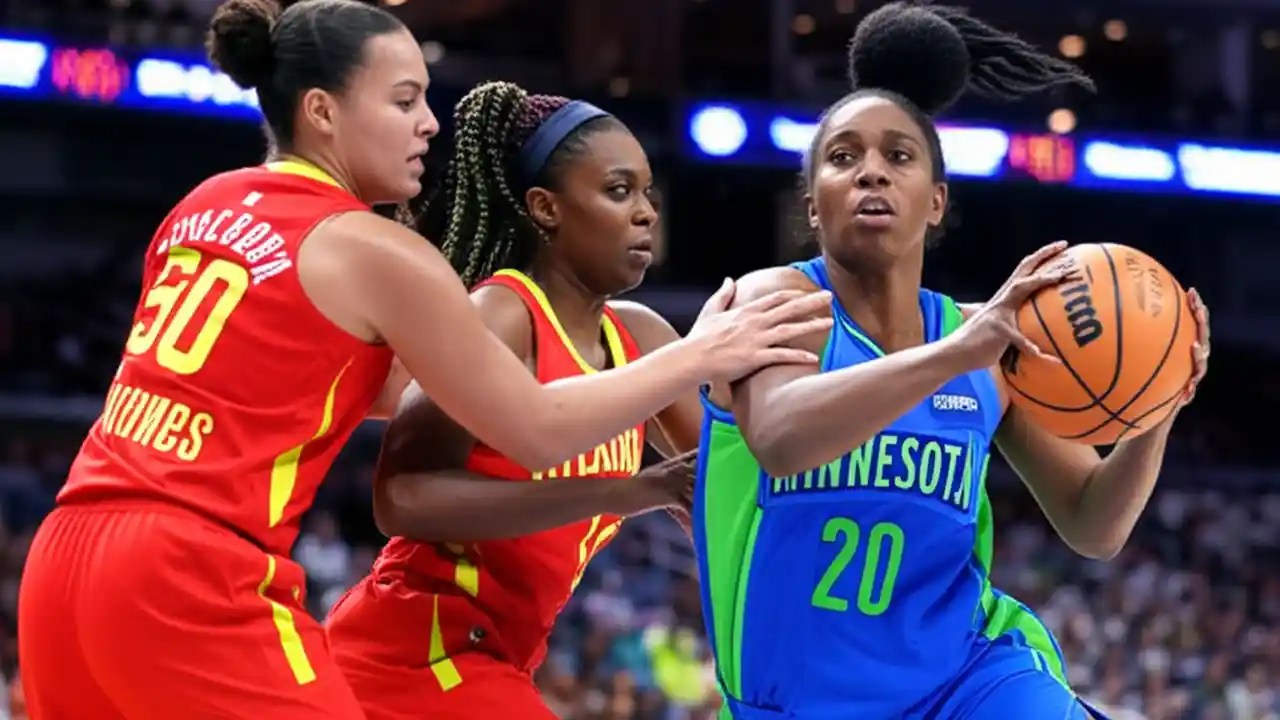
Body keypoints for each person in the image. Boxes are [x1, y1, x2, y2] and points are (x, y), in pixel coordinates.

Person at [14, 1, 832, 718]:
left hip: (64, 559)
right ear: (322, 112)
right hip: (192, 573)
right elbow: (535, 429)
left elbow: (345, 388)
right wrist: (703, 354)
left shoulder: (206, 202)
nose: (429, 124)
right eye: (404, 100)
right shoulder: (375, 247)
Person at [691, 4, 1211, 719]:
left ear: (936, 202)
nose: (870, 173)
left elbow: (1094, 524)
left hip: (964, 681)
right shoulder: (778, 301)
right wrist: (955, 354)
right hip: (796, 701)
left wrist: (1160, 402)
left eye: (898, 157)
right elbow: (782, 439)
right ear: (812, 204)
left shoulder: (985, 343)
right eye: (843, 158)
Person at [325, 80, 705, 720]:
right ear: (545, 207)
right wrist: (627, 492)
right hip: (417, 645)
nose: (645, 212)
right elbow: (399, 498)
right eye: (618, 192)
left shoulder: (640, 336)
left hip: (498, 657)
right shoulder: (499, 314)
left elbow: (732, 481)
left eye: (648, 194)